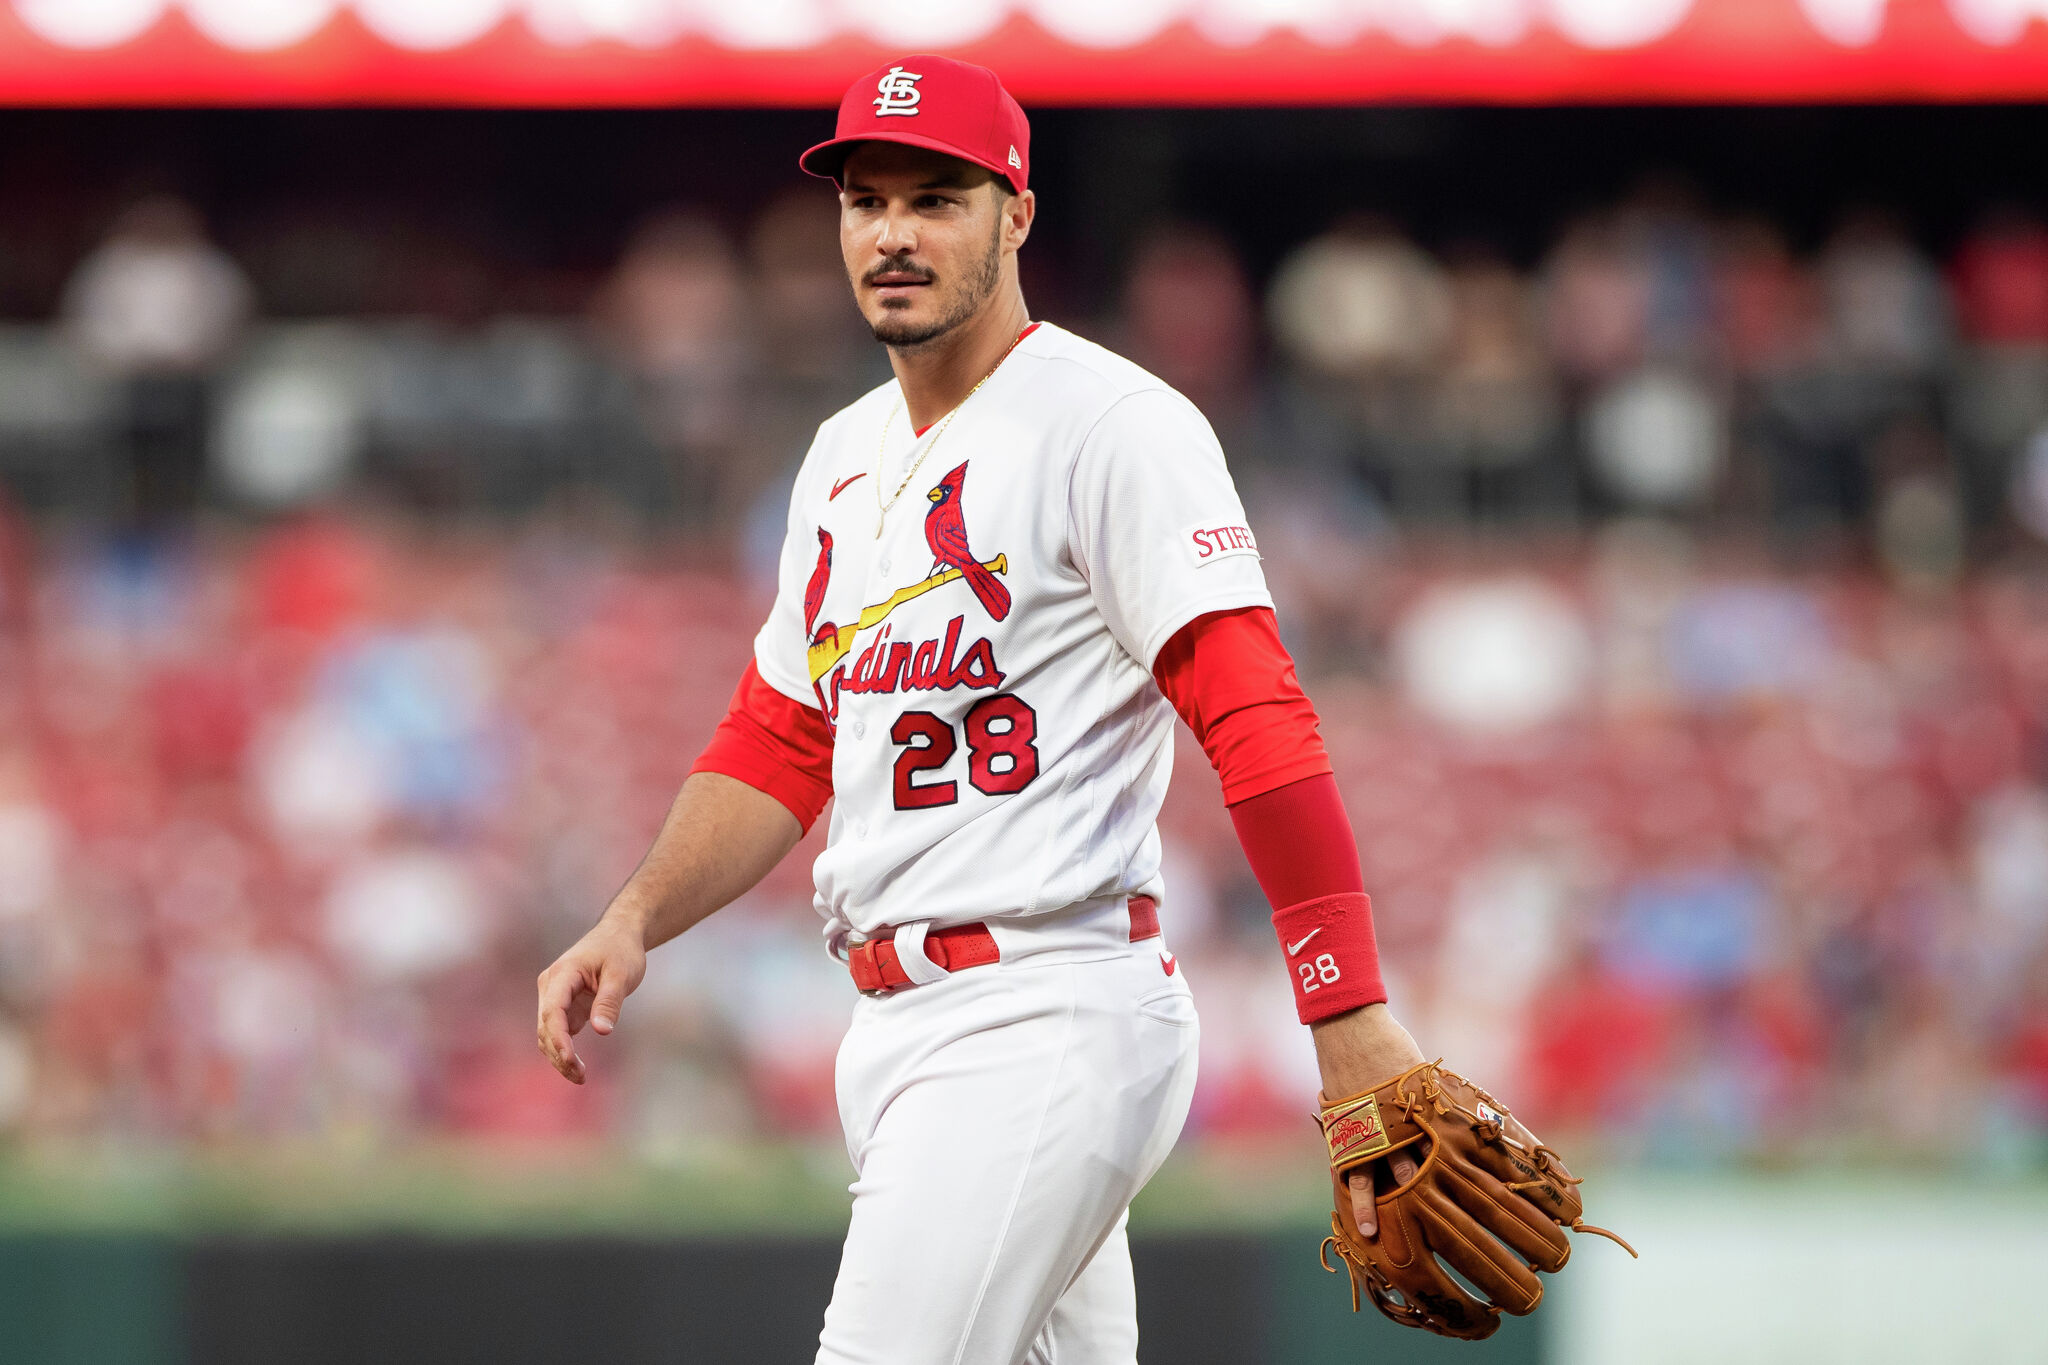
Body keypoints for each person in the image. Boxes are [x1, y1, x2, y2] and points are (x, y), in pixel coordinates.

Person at [536, 56, 1427, 1363]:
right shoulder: (843, 455)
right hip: (899, 1025)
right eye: (866, 199)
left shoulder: (1111, 425)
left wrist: (1344, 1012)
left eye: (936, 196)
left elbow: (1256, 714)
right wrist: (635, 914)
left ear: (1015, 211)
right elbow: (782, 737)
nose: (892, 231)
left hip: (1043, 1011)